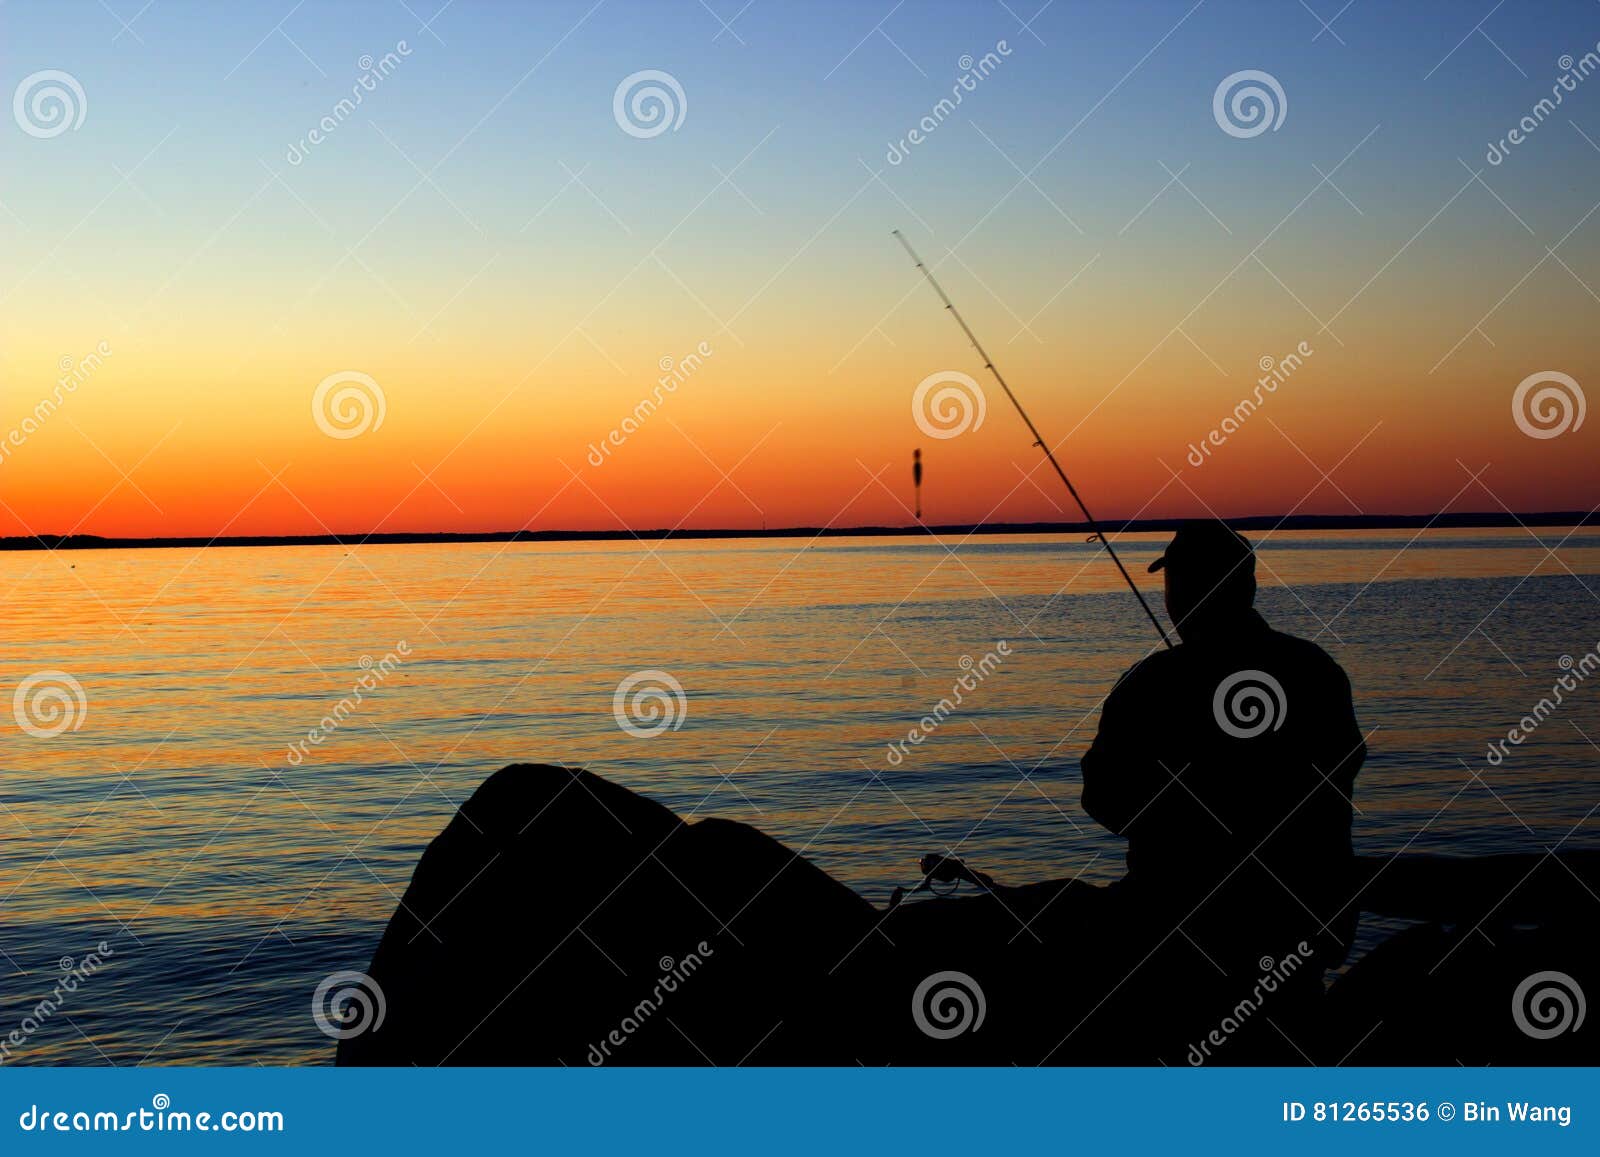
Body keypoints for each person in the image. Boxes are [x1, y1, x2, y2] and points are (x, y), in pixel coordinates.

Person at [1080, 521, 1365, 1058]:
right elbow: (1341, 774)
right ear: (1249, 588)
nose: (1172, 600)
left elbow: (1103, 799)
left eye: (1178, 585)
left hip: (1179, 939)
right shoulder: (1316, 671)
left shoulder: (1151, 683)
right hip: (1298, 931)